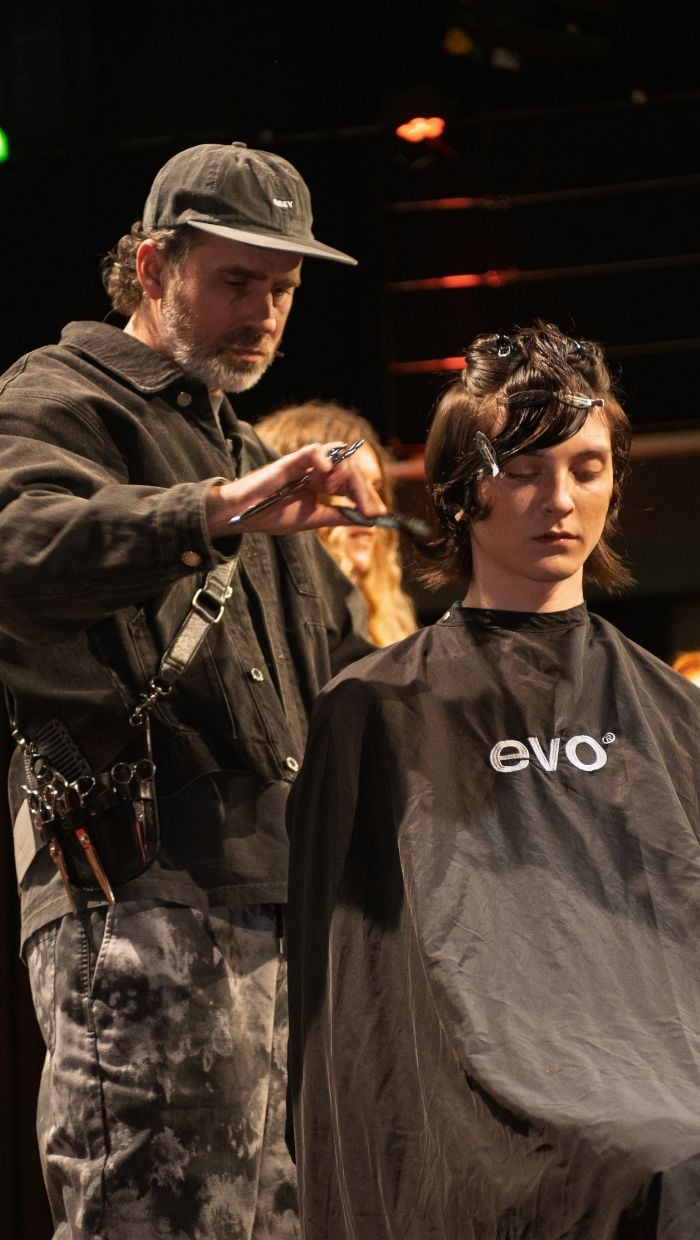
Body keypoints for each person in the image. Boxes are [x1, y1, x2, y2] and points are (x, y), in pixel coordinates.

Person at [0, 140, 385, 1239]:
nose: (263, 314)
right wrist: (213, 509)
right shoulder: (59, 393)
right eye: (236, 281)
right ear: (153, 264)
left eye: (283, 289)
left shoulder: (247, 451)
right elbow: (19, 549)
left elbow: (345, 678)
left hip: (282, 911)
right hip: (138, 899)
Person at [285, 323, 700, 1238]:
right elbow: (353, 1013)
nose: (561, 500)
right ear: (460, 489)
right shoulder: (372, 711)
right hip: (491, 1118)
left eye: (588, 469)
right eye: (524, 470)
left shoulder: (678, 714)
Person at [256, 400, 419, 646]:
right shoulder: (272, 630)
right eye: (348, 488)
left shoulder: (380, 617)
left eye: (375, 488)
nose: (377, 509)